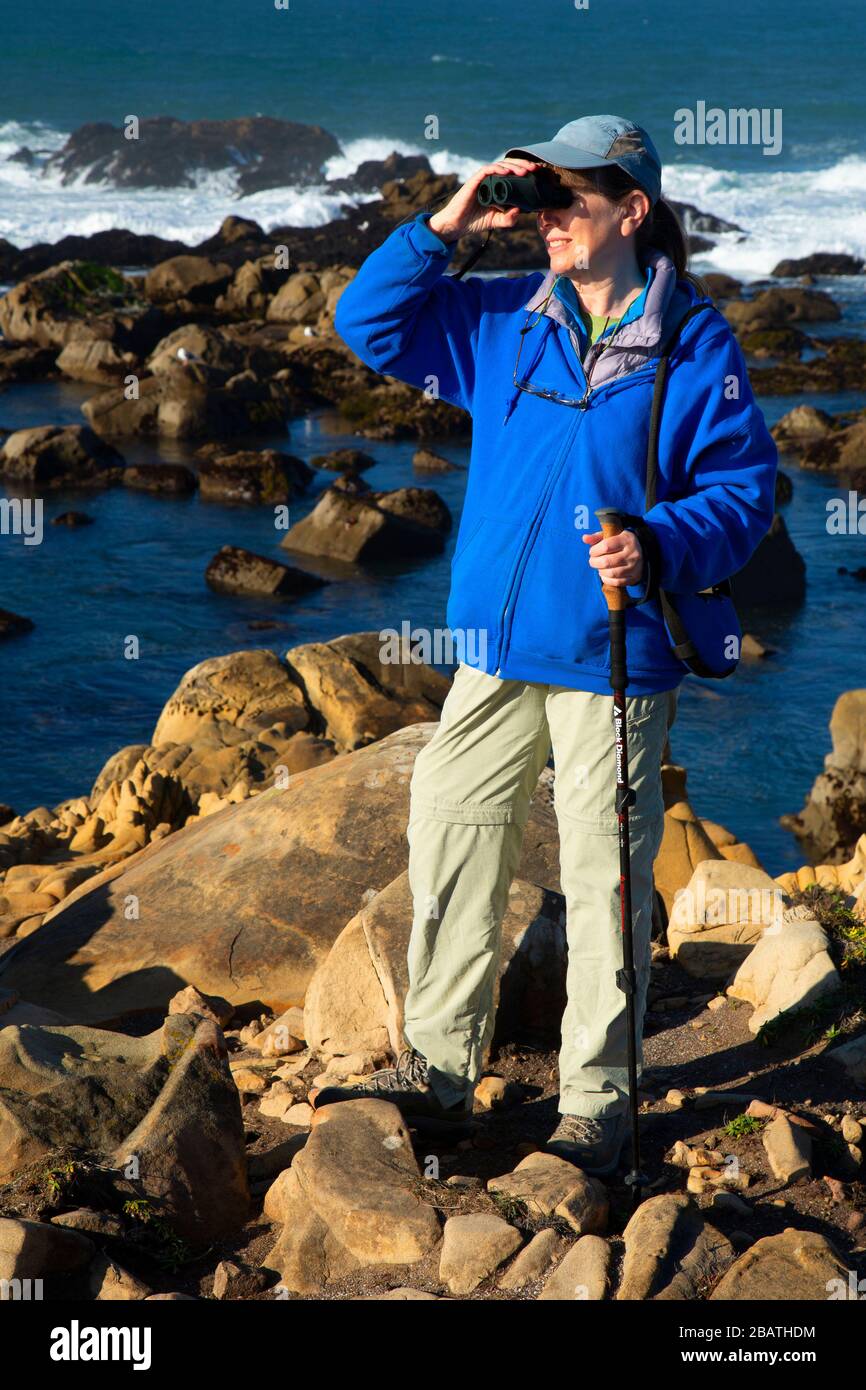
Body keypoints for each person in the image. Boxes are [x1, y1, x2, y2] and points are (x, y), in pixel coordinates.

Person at [314, 115, 777, 1175]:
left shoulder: (695, 347)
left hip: (611, 654)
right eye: (542, 196)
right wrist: (452, 221)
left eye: (570, 198)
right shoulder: (505, 321)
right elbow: (365, 321)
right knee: (451, 839)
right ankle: (437, 1075)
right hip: (495, 652)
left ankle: (597, 1104)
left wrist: (657, 541)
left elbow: (745, 494)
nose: (549, 217)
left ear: (632, 209)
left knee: (604, 877)